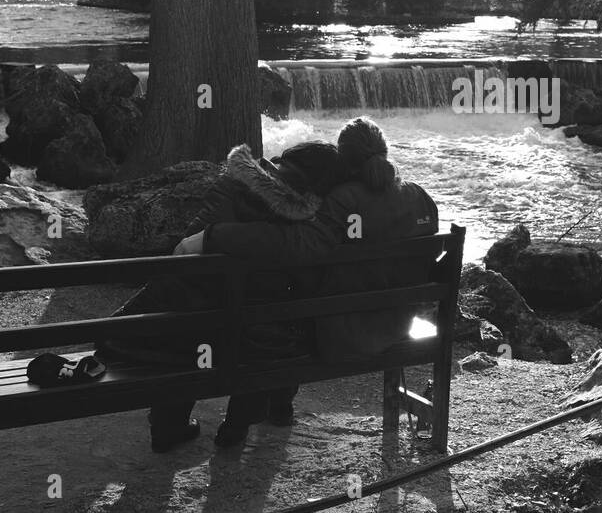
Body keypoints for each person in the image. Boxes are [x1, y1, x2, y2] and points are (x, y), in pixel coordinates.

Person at [149, 117, 440, 451]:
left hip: (341, 334)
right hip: (398, 326)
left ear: (345, 161)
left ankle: (245, 417)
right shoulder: (419, 197)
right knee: (284, 302)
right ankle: (270, 410)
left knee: (276, 307)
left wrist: (213, 238)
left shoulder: (342, 200)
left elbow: (299, 245)